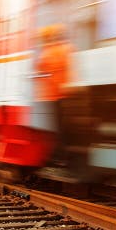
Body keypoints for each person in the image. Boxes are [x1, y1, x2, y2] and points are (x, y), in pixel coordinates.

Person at [36, 24, 74, 166]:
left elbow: (41, 69)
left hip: (53, 95)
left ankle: (59, 157)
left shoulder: (48, 52)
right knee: (63, 128)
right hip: (67, 93)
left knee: (56, 129)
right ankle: (62, 156)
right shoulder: (67, 48)